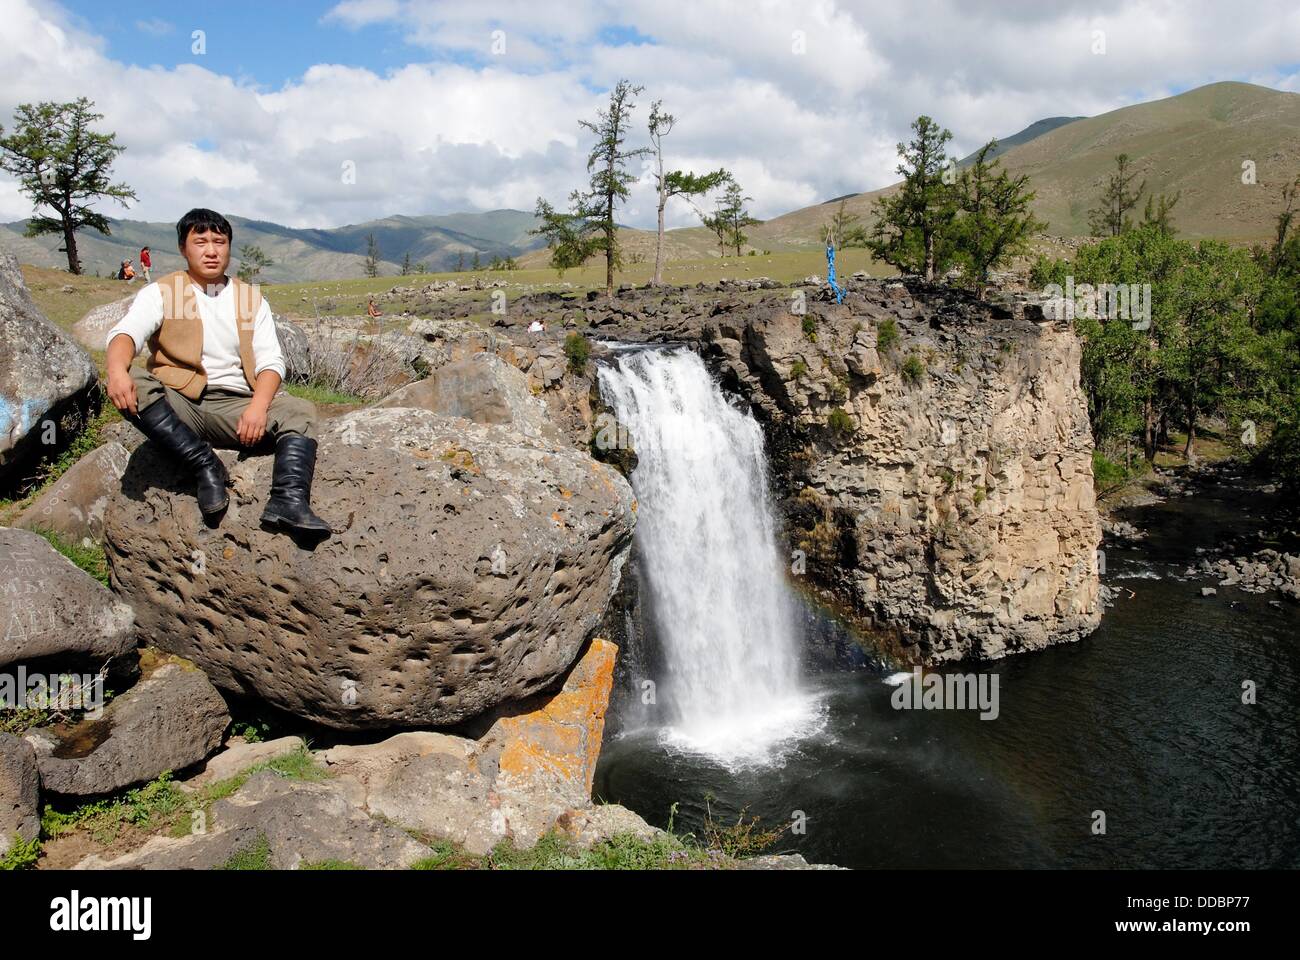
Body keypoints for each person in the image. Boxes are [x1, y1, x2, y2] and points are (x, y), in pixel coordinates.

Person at [103, 207, 330, 536]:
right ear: (183, 248)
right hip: (180, 402)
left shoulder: (250, 299)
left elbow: (271, 362)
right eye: (200, 241)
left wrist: (257, 406)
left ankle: (288, 501)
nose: (211, 250)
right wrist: (115, 370)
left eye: (219, 242)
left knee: (300, 411)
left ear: (228, 248)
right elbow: (126, 335)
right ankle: (204, 464)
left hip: (236, 406)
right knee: (133, 379)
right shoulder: (163, 292)